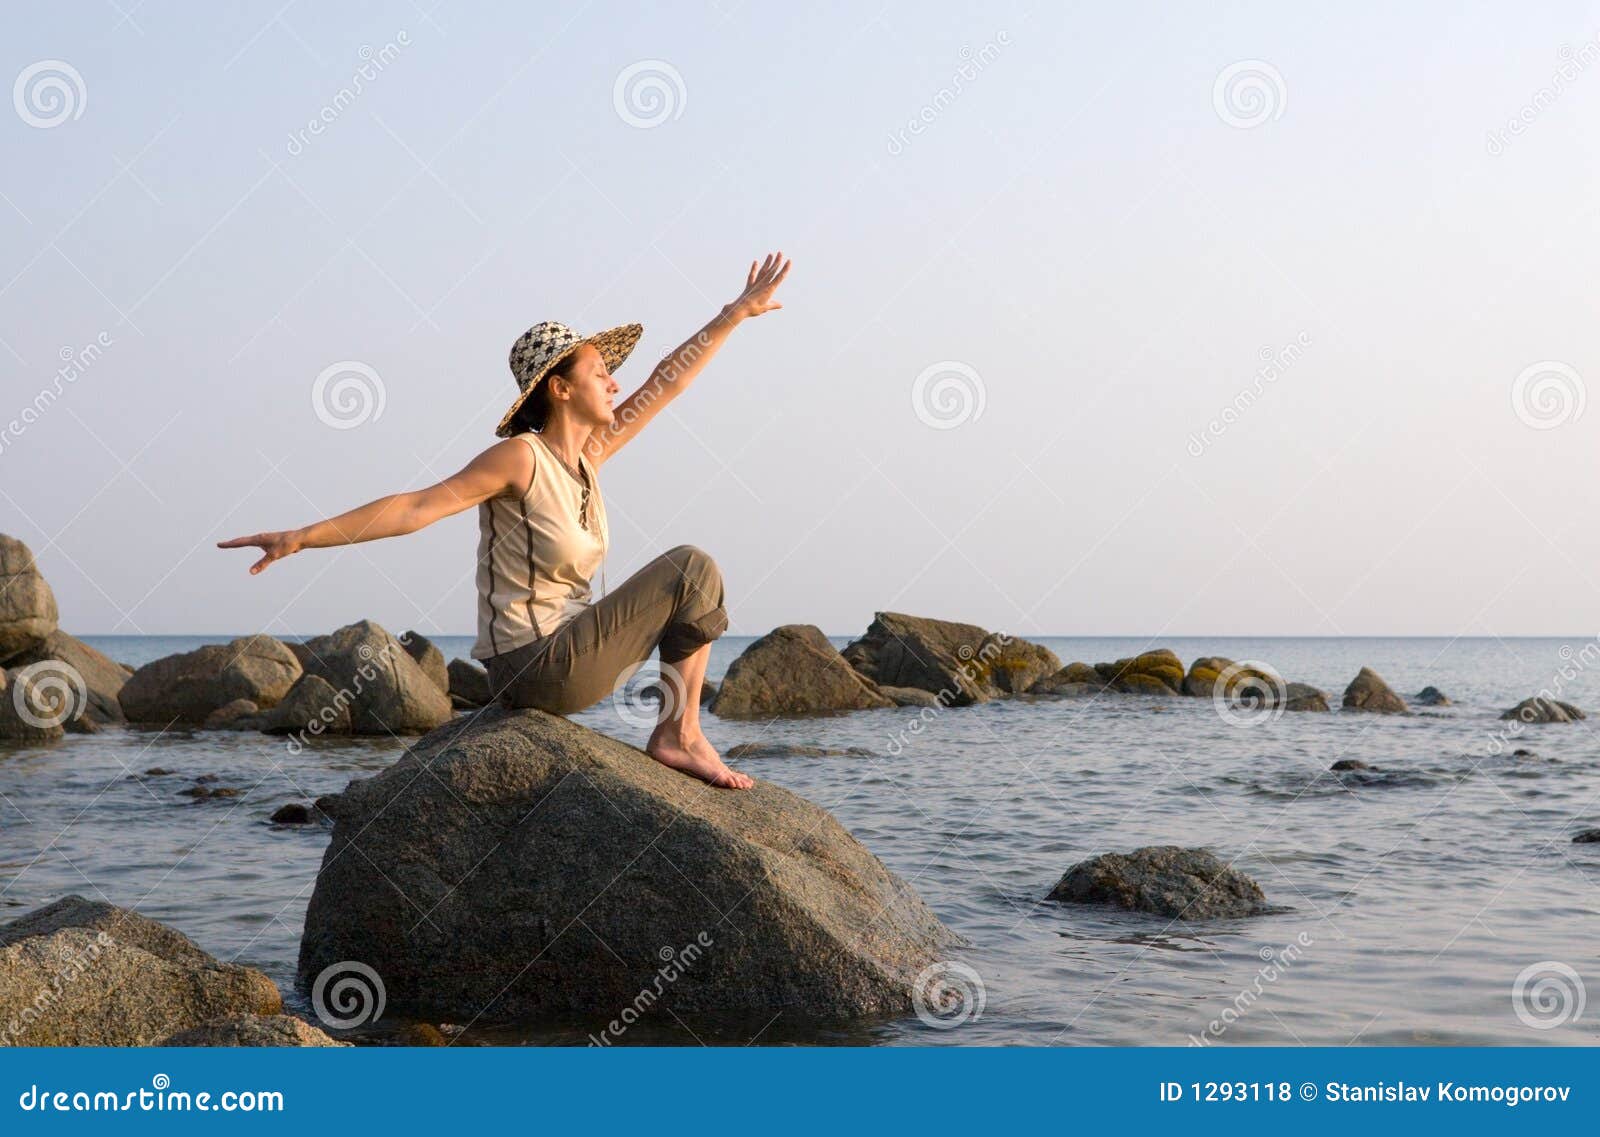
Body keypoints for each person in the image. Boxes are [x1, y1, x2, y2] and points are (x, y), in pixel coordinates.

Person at [219, 252, 792, 790]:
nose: (615, 382)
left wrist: (734, 313)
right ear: (561, 389)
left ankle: (676, 730)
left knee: (697, 575)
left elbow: (667, 381)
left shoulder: (589, 458)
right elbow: (416, 508)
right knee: (689, 568)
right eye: (600, 372)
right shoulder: (522, 457)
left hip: (565, 651)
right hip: (534, 663)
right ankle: (680, 734)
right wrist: (302, 537)